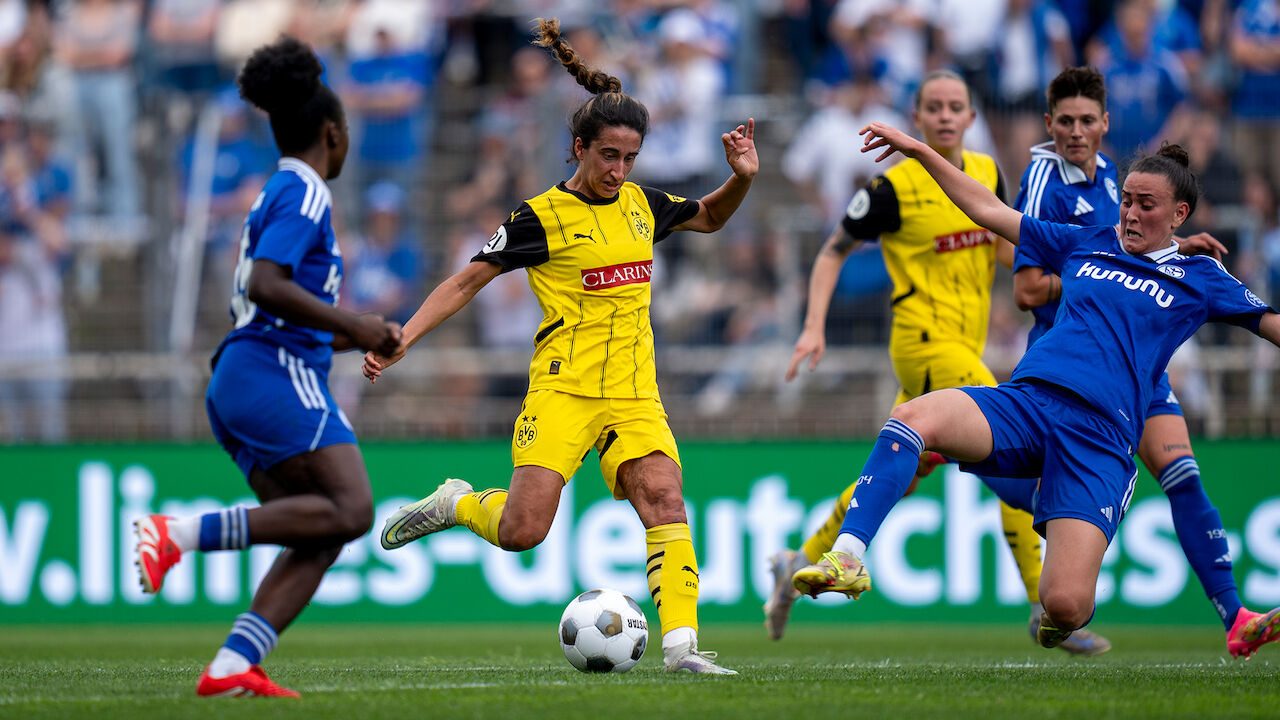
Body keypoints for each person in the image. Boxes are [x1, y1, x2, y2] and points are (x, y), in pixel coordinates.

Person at [792, 117, 1280, 658]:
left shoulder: (1201, 278)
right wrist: (918, 151)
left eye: (1148, 205)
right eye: (1128, 200)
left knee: (1066, 606)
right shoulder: (1089, 241)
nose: (1132, 213)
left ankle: (1060, 571)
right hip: (1029, 403)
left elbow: (1270, 325)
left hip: (1100, 439)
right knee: (913, 419)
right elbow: (988, 209)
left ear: (1180, 215)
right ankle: (848, 557)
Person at [362, 17, 757, 675]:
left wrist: (740, 176)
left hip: (634, 393)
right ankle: (456, 503)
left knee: (665, 497)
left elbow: (710, 216)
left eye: (630, 158)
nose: (619, 169)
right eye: (609, 156)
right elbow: (466, 280)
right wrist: (405, 336)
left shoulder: (643, 204)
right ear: (579, 147)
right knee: (523, 532)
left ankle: (683, 647)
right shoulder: (538, 217)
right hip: (564, 389)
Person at [770, 69, 1109, 655]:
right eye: (935, 107)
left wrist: (1082, 272)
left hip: (966, 343)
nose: (947, 115)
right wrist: (812, 326)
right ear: (918, 118)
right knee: (1017, 453)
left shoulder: (984, 173)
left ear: (972, 118)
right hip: (923, 344)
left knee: (901, 469)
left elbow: (1011, 253)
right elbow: (832, 251)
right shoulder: (892, 189)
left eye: (957, 106)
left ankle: (798, 561)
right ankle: (1039, 603)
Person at [131, 36, 402, 698]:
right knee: (354, 507)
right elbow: (266, 284)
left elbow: (280, 303)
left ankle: (232, 663)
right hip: (270, 373)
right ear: (333, 134)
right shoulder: (305, 192)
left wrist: (360, 336)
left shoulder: (278, 192)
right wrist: (355, 323)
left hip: (250, 373)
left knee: (324, 526)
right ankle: (176, 533)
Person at [1014, 65, 1273, 654]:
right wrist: (1102, 272)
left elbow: (1140, 245)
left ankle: (1235, 618)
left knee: (1183, 475)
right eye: (1065, 122)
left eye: (1087, 120)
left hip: (1138, 367)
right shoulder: (1041, 178)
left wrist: (1170, 258)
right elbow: (1028, 290)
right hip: (1073, 370)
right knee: (1005, 471)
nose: (1076, 132)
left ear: (1106, 123)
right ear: (1048, 125)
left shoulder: (1115, 178)